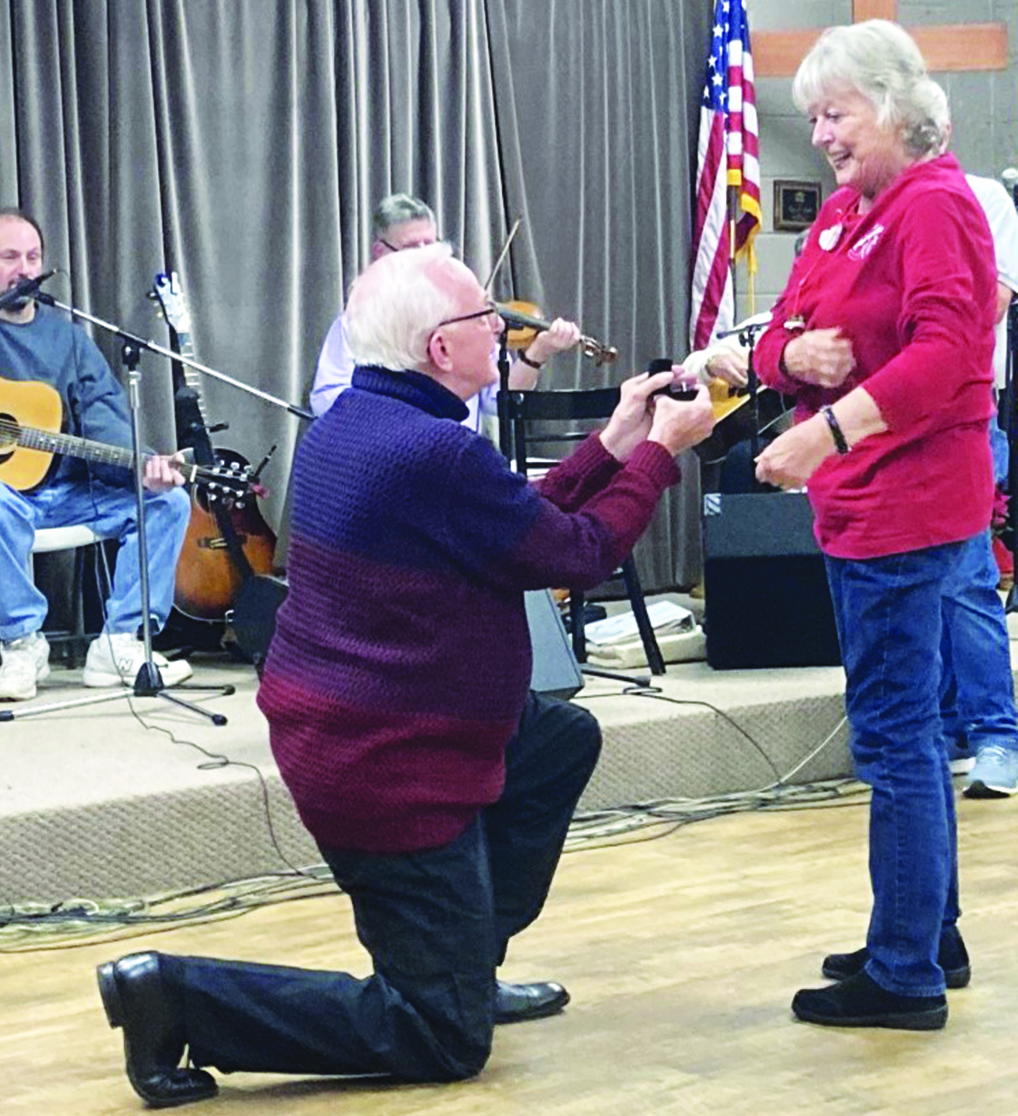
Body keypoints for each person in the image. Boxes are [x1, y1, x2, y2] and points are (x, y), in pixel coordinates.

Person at [95, 241, 715, 1107]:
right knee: (438, 1039)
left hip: (376, 729)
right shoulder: (431, 451)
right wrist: (662, 451)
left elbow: (517, 526)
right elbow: (577, 553)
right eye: (482, 317)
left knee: (559, 739)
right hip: (385, 762)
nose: (502, 326)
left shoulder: (362, 422)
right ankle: (175, 996)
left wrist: (614, 441)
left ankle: (462, 961)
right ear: (439, 349)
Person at [751, 21, 996, 1030]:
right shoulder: (849, 217)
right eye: (812, 117)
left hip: (907, 504)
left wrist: (829, 434)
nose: (823, 135)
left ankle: (904, 976)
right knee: (911, 735)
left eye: (837, 113)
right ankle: (925, 933)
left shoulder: (938, 207)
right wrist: (790, 365)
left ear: (895, 105)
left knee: (894, 742)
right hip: (864, 509)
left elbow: (947, 357)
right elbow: (778, 335)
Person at [0, 207, 193, 701]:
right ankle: (21, 644)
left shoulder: (68, 338)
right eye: (9, 256)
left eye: (33, 257)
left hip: (65, 491)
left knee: (169, 502)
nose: (24, 269)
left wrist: (143, 466)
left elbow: (105, 416)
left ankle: (119, 642)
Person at [310, 192, 581, 430]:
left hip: (457, 459)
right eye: (412, 248)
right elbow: (325, 400)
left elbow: (500, 400)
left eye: (431, 244)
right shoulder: (357, 323)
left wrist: (537, 353)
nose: (426, 256)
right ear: (381, 252)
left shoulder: (469, 318)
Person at [935, 117, 1018, 796]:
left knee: (964, 579)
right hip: (884, 428)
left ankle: (996, 736)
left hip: (963, 418)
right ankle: (937, 727)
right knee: (909, 589)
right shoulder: (867, 214)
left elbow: (987, 306)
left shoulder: (985, 199)